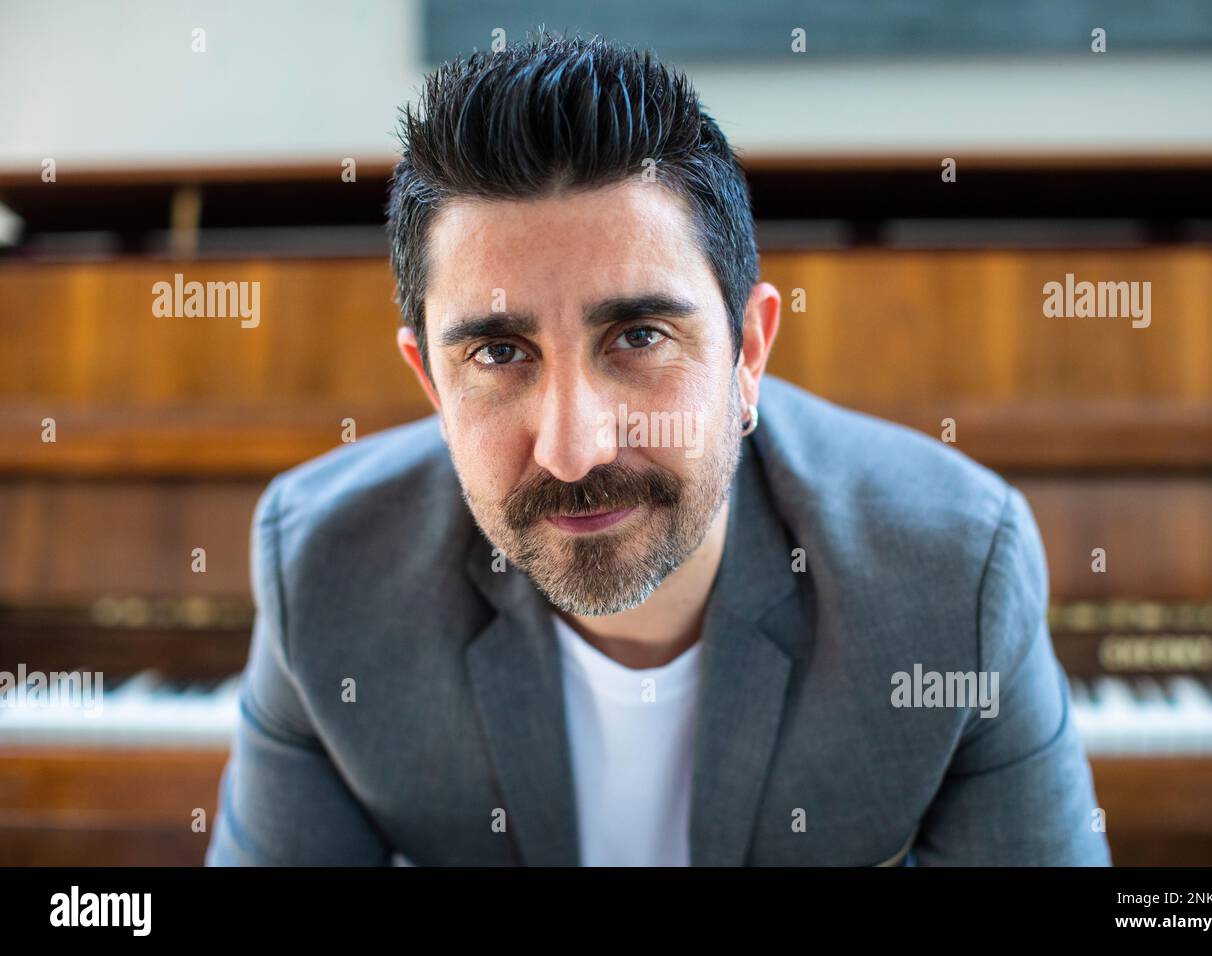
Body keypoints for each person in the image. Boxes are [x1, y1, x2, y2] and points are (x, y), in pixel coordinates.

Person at [206, 30, 1110, 866]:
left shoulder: (954, 571)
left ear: (748, 353)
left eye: (637, 336)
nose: (575, 448)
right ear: (433, 388)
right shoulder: (322, 565)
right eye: (497, 352)